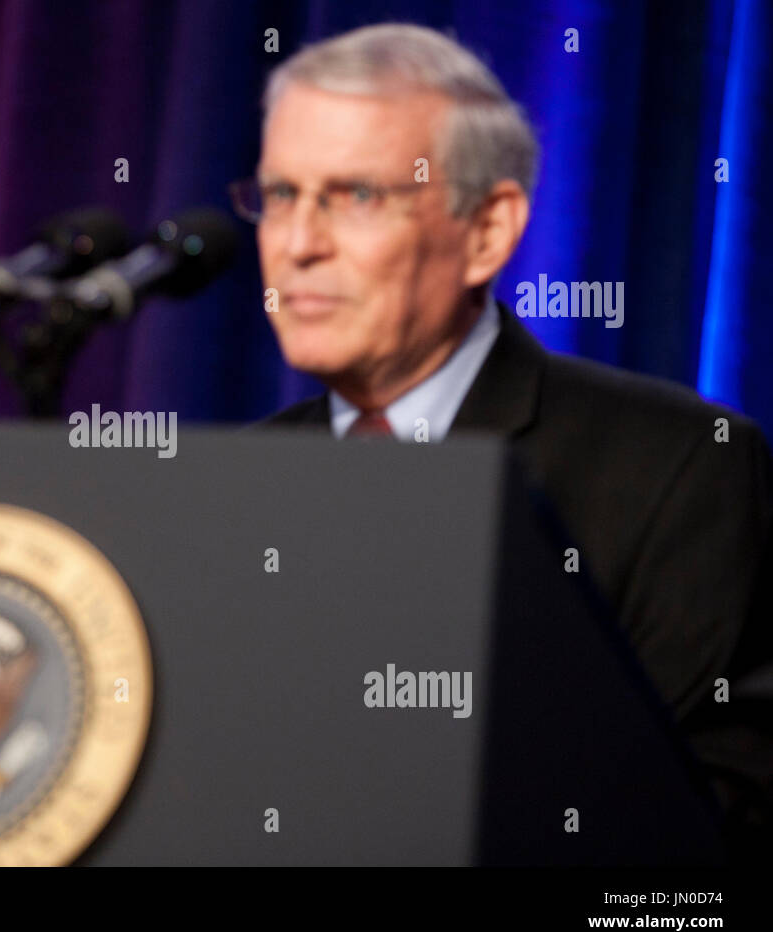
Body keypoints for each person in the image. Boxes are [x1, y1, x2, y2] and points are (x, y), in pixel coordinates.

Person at [240, 24, 772, 852]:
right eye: (280, 196)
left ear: (487, 231)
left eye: (355, 196)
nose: (298, 244)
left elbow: (714, 829)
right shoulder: (238, 483)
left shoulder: (678, 465)